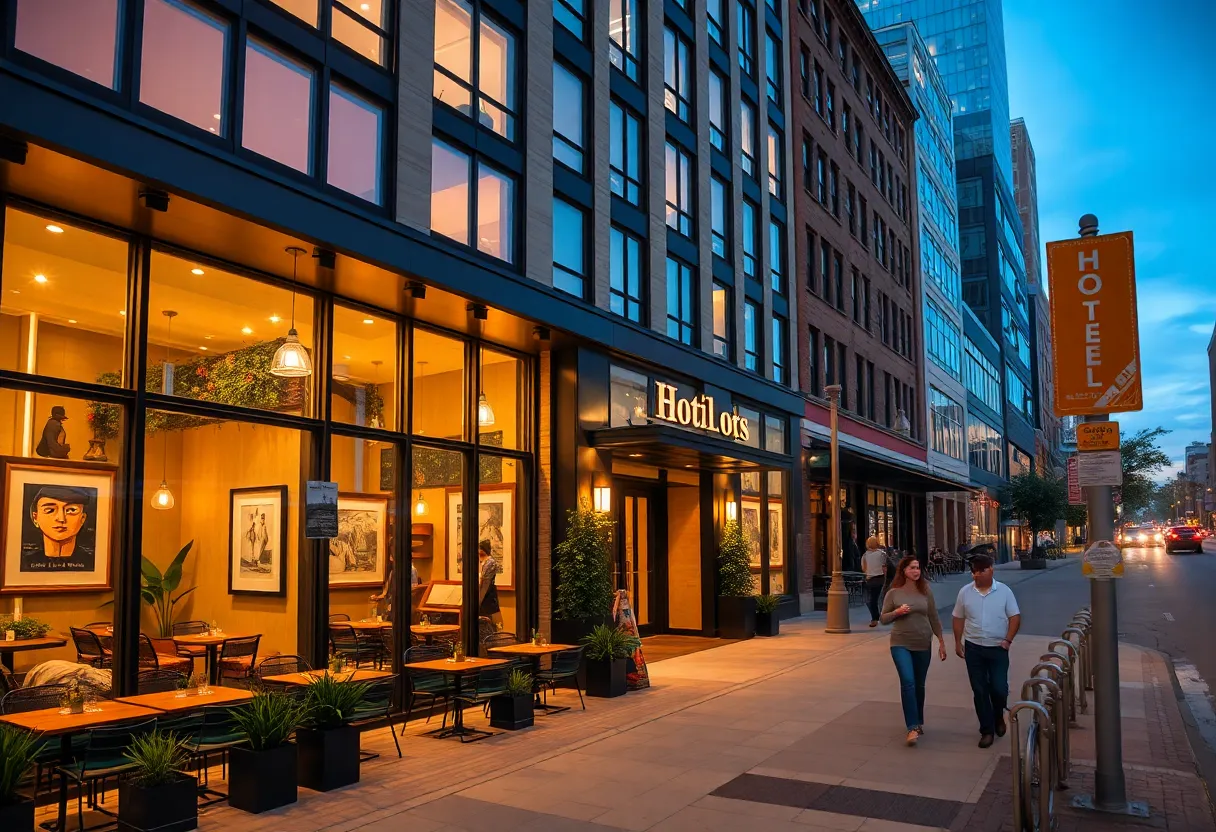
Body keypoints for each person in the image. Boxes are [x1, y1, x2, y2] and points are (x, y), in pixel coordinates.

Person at [953, 554, 1021, 748]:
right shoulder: (965, 592)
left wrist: (1008, 640)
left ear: (991, 569)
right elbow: (958, 618)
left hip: (998, 648)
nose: (976, 575)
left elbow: (1015, 617)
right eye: (973, 571)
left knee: (999, 688)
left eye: (981, 571)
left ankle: (998, 715)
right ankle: (987, 730)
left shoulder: (1004, 592)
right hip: (974, 647)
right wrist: (958, 642)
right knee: (980, 689)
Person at [881, 556, 947, 746]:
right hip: (900, 643)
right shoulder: (893, 593)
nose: (916, 571)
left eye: (918, 567)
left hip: (923, 643)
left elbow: (934, 617)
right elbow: (883, 618)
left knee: (919, 685)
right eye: (912, 568)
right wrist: (897, 612)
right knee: (908, 682)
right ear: (903, 571)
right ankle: (911, 727)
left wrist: (941, 641)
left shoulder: (926, 591)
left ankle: (918, 721)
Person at [22, 485, 94, 570]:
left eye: (71, 510)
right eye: (50, 510)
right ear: (35, 518)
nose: (61, 519)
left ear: (82, 519)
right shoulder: (24, 563)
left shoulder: (93, 562)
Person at [861, 536, 887, 627]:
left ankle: (875, 618)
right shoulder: (882, 554)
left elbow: (864, 568)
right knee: (874, 599)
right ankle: (876, 617)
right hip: (879, 578)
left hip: (870, 579)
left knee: (870, 600)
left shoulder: (865, 555)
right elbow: (885, 566)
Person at [477, 539, 503, 630]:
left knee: (488, 619)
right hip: (481, 591)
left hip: (487, 593)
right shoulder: (481, 561)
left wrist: (479, 599)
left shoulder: (490, 562)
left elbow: (484, 581)